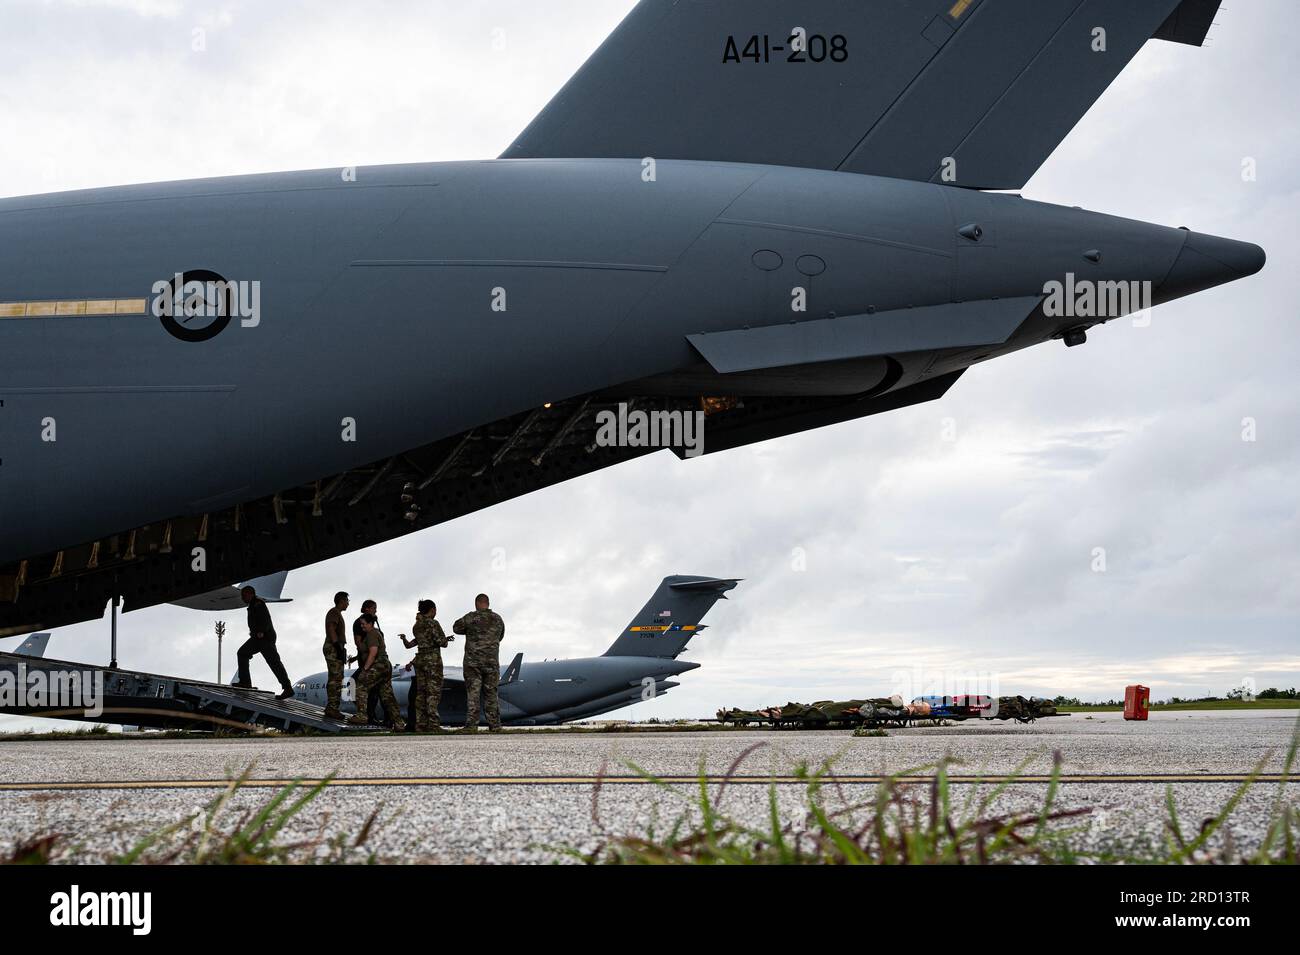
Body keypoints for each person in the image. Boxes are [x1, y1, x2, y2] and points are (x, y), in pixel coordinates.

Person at [452, 593, 505, 732]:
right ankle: (495, 725)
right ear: (488, 603)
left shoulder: (471, 617)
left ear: (476, 603)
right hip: (491, 663)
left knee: (473, 694)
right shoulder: (498, 619)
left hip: (473, 663)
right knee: (491, 693)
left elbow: (456, 628)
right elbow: (500, 636)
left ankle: (471, 725)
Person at [400, 599, 452, 732]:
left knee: (421, 693)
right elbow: (441, 642)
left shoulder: (416, 626)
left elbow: (416, 642)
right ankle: (433, 725)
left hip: (420, 660)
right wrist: (446, 639)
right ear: (432, 609)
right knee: (433, 692)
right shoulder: (433, 623)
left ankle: (420, 724)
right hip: (432, 661)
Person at [235, 585, 294, 700]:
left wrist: (261, 631)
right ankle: (245, 682)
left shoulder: (258, 603)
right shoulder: (253, 604)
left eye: (243, 595)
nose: (242, 598)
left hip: (264, 638)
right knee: (242, 653)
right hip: (258, 638)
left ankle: (288, 688)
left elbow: (265, 619)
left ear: (250, 594)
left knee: (274, 662)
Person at [348, 613, 405, 730]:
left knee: (360, 685)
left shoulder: (372, 634)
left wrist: (365, 670)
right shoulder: (373, 633)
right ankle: (399, 723)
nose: (362, 627)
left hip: (378, 665)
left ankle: (362, 716)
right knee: (387, 696)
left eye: (364, 624)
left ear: (370, 624)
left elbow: (373, 653)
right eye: (361, 624)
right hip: (385, 666)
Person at [349, 599, 382, 723]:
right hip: (368, 661)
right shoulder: (360, 623)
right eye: (374, 608)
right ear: (367, 609)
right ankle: (367, 713)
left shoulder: (372, 625)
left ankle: (369, 715)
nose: (376, 611)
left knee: (374, 689)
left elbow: (372, 645)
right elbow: (359, 643)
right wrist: (362, 658)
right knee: (353, 685)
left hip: (373, 659)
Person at [322, 591, 349, 720]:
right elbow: (331, 628)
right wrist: (337, 645)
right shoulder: (333, 612)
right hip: (333, 647)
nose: (348, 604)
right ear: (342, 601)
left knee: (336, 677)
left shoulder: (337, 613)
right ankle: (332, 708)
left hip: (335, 647)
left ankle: (332, 707)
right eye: (347, 601)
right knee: (336, 678)